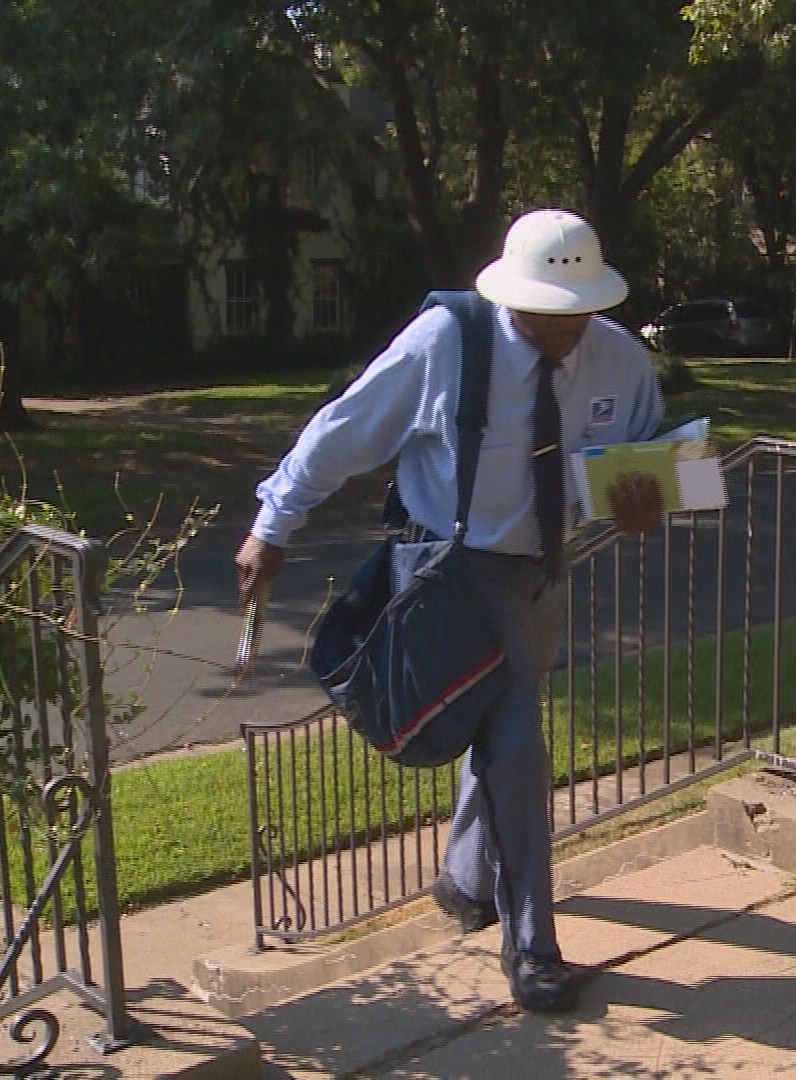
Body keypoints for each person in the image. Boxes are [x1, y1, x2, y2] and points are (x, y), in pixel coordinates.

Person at [234, 208, 666, 1014]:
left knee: (496, 732)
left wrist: (644, 504)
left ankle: (466, 882)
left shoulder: (620, 362)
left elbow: (641, 464)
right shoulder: (447, 344)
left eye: (577, 313)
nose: (564, 330)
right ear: (513, 297)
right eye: (548, 313)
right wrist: (273, 524)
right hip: (447, 577)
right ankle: (532, 948)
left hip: (540, 575)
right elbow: (344, 432)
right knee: (517, 750)